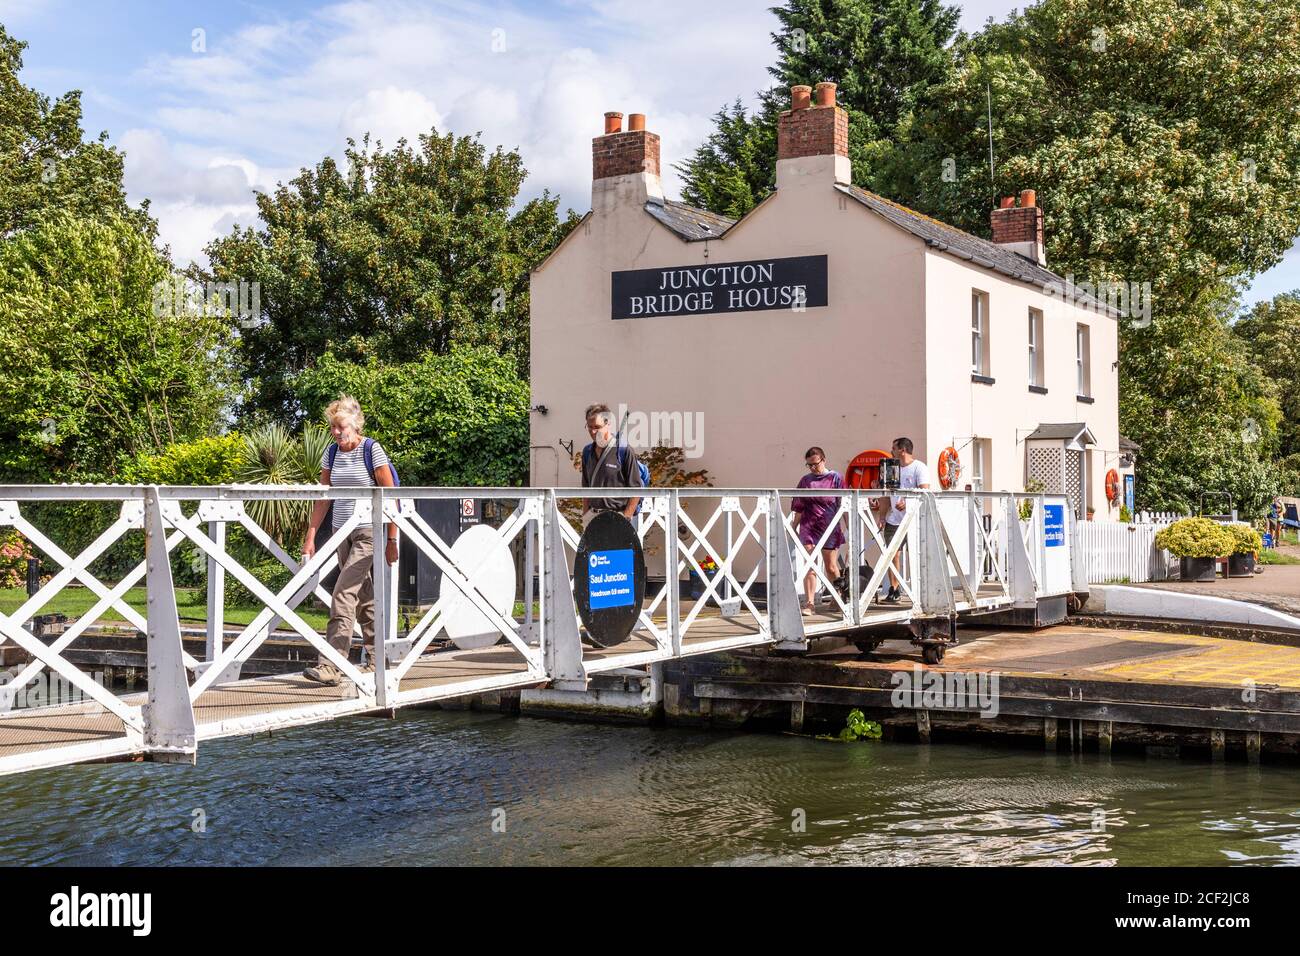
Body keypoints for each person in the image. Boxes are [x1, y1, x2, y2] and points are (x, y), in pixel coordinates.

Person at [300, 396, 398, 686]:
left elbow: (390, 497)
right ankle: (378, 658)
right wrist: (311, 536)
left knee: (343, 592)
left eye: (340, 427)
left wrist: (392, 539)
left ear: (355, 425)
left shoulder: (372, 450)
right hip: (341, 532)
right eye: (332, 428)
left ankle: (331, 665)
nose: (336, 433)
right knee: (364, 596)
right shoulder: (331, 453)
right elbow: (324, 497)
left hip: (368, 531)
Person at [791, 447, 846, 615]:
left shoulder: (836, 478)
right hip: (809, 526)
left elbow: (844, 504)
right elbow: (799, 506)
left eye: (815, 464)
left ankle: (838, 597)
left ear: (823, 460)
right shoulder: (805, 481)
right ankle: (809, 603)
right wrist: (794, 526)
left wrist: (848, 526)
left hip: (830, 526)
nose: (813, 468)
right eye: (809, 465)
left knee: (830, 566)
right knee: (810, 565)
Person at [880, 437, 930, 604]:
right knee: (892, 555)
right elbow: (887, 494)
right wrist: (881, 516)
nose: (891, 450)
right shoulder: (890, 468)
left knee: (917, 555)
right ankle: (894, 590)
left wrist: (908, 503)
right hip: (894, 519)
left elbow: (925, 492)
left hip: (913, 520)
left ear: (902, 449)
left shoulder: (919, 467)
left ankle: (920, 593)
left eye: (893, 448)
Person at [580, 403, 641, 521]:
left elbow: (636, 489)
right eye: (589, 427)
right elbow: (586, 488)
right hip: (593, 517)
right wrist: (585, 517)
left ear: (608, 424)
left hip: (617, 516)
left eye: (597, 427)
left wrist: (625, 518)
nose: (593, 431)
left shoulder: (623, 450)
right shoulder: (587, 452)